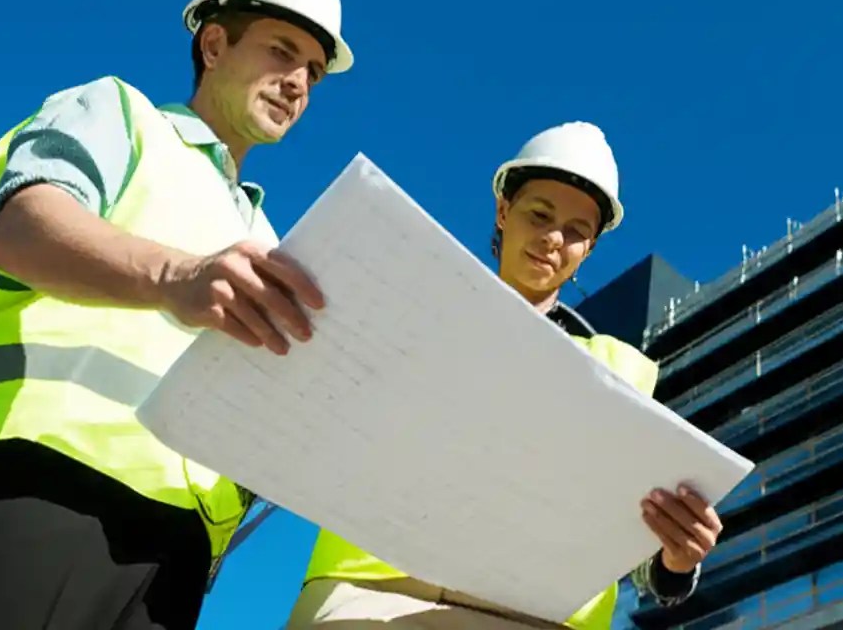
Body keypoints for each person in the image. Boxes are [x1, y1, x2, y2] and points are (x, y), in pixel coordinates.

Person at [0, 0, 354, 630]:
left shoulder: (269, 237)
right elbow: (22, 224)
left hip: (174, 559)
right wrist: (177, 277)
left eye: (313, 73)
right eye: (282, 52)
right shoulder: (122, 115)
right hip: (36, 487)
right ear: (214, 42)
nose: (297, 84)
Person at [285, 121, 725, 630]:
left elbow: (635, 541)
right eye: (539, 215)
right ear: (503, 211)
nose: (553, 239)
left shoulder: (623, 372)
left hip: (534, 617)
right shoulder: (408, 312)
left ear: (590, 250)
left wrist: (677, 561)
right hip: (369, 595)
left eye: (577, 233)